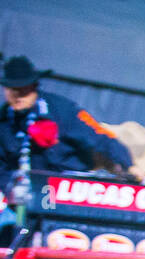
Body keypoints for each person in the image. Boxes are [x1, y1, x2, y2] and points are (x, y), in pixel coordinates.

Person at [0, 54, 131, 196]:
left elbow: (100, 137)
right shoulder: (4, 121)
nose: (18, 95)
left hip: (70, 190)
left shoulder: (62, 110)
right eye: (13, 89)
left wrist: (128, 166)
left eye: (24, 89)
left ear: (34, 87)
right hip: (29, 195)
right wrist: (9, 188)